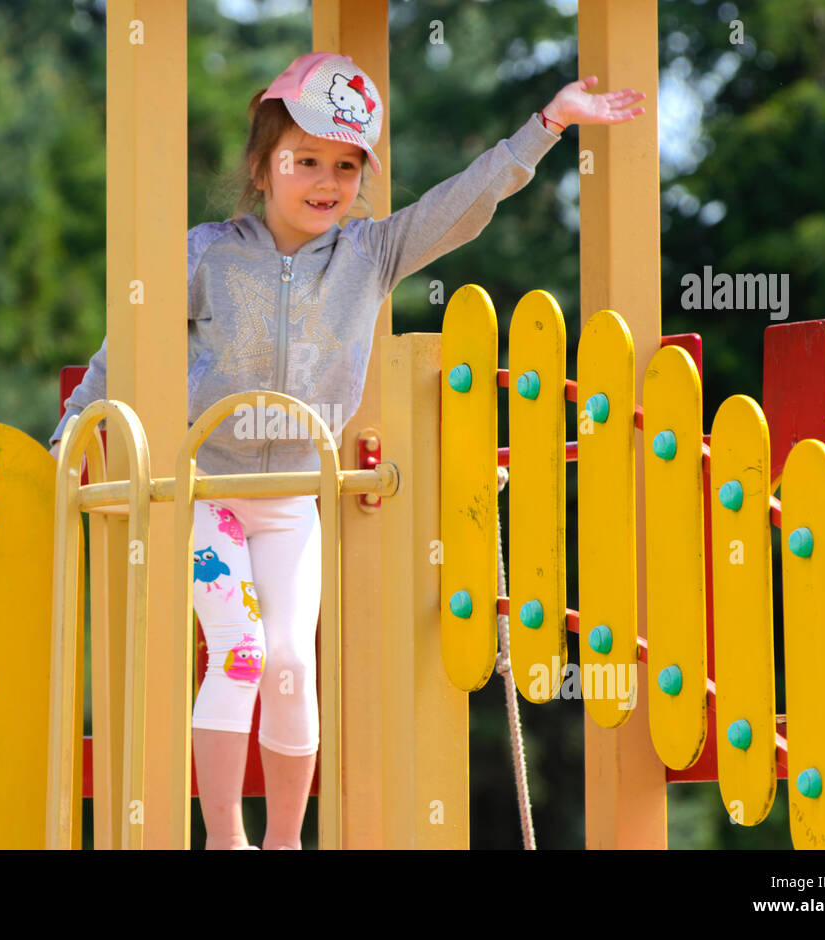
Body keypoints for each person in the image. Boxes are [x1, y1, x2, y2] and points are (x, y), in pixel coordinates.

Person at [48, 51, 645, 849]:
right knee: (242, 651)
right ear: (263, 167)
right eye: (305, 161)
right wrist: (77, 424)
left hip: (294, 498)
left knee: (293, 660)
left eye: (346, 164)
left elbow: (459, 206)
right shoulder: (209, 255)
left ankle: (287, 839)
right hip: (207, 494)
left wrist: (547, 126)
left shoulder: (369, 255)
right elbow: (130, 340)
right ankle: (224, 837)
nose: (326, 180)